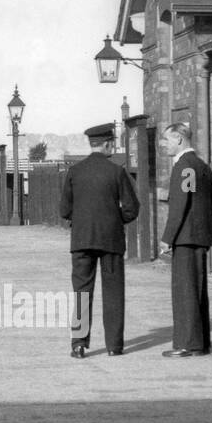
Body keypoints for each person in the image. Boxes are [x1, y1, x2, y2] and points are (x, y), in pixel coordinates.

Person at [58, 122, 140, 358]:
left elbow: (64, 210)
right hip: (111, 241)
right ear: (106, 144)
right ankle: (114, 346)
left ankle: (79, 344)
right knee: (114, 292)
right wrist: (115, 220)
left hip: (82, 240)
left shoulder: (75, 172)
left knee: (82, 292)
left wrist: (83, 219)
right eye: (111, 143)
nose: (112, 146)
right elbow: (132, 208)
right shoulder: (116, 172)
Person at [158, 122, 212, 357]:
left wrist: (167, 238)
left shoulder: (184, 167)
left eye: (167, 139)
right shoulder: (201, 165)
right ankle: (200, 343)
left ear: (179, 139)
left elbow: (181, 204)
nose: (163, 144)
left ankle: (187, 344)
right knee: (197, 290)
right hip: (199, 235)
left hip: (185, 237)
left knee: (184, 291)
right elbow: (208, 202)